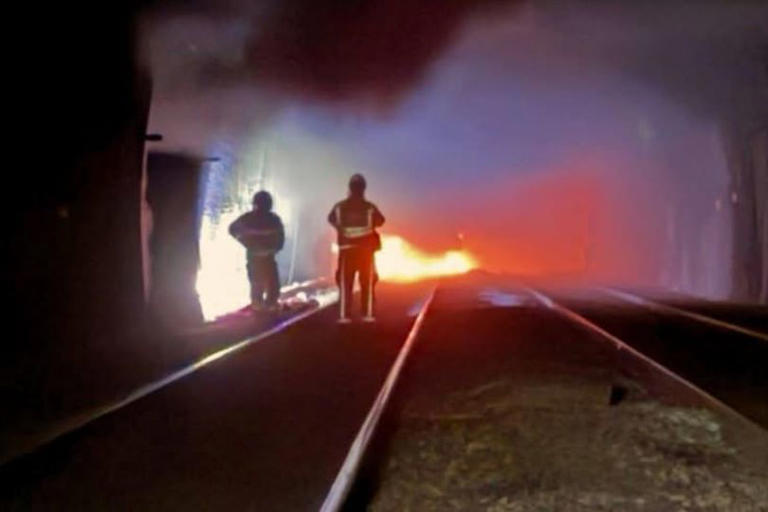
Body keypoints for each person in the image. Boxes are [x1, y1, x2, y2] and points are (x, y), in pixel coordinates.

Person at [328, 174, 385, 323]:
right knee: (367, 282)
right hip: (366, 251)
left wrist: (343, 230)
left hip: (346, 250)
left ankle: (344, 315)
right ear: (363, 188)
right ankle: (368, 314)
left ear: (350, 188)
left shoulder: (340, 207)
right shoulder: (370, 207)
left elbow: (331, 219)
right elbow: (381, 221)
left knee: (345, 283)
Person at [229, 191, 285, 311]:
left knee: (266, 286)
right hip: (259, 258)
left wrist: (246, 241)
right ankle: (263, 308)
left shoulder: (271, 219)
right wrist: (246, 242)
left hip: (262, 257)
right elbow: (233, 229)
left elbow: (280, 239)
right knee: (262, 285)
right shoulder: (265, 218)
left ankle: (264, 307)